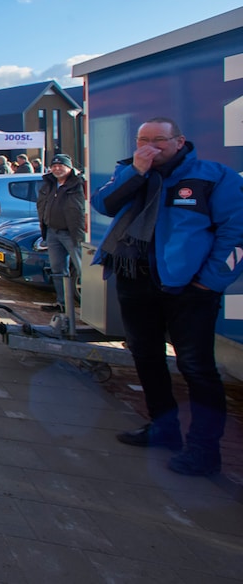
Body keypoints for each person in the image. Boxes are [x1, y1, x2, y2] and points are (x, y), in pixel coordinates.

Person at [91, 117, 243, 476]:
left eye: (159, 140)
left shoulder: (213, 177)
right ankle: (163, 427)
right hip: (134, 279)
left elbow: (236, 232)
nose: (150, 147)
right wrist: (137, 172)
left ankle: (204, 451)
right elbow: (104, 204)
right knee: (146, 357)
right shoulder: (130, 172)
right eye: (143, 140)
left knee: (196, 367)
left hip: (189, 288)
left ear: (180, 141)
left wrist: (210, 281)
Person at [36, 154, 86, 312]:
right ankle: (62, 304)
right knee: (58, 270)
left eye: (61, 166)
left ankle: (90, 308)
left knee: (83, 270)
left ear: (69, 167)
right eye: (54, 166)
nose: (57, 168)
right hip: (52, 232)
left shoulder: (79, 184)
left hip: (72, 234)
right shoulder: (48, 184)